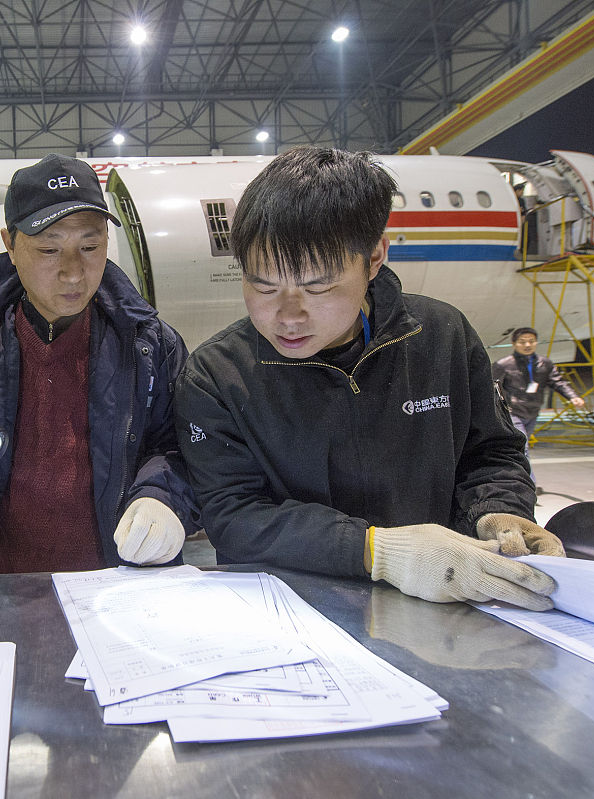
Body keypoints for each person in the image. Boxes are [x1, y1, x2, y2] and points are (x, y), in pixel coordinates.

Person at [174, 146, 565, 611]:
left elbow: (491, 451)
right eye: (263, 285)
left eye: (317, 286)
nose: (288, 315)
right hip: (289, 613)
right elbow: (233, 514)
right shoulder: (217, 375)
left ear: (374, 256)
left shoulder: (441, 337)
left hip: (446, 602)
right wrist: (378, 551)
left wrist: (498, 510)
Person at [0, 153, 198, 575]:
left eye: (90, 247)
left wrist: (160, 497)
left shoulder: (150, 344)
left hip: (114, 580)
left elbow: (176, 448)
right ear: (10, 245)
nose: (73, 272)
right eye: (49, 249)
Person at [491, 327, 585, 485]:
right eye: (522, 342)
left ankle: (514, 478)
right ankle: (529, 484)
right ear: (514, 343)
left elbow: (558, 382)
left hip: (532, 412)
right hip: (512, 412)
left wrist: (573, 397)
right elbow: (491, 387)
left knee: (520, 448)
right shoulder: (503, 365)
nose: (527, 345)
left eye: (531, 341)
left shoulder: (544, 364)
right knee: (523, 447)